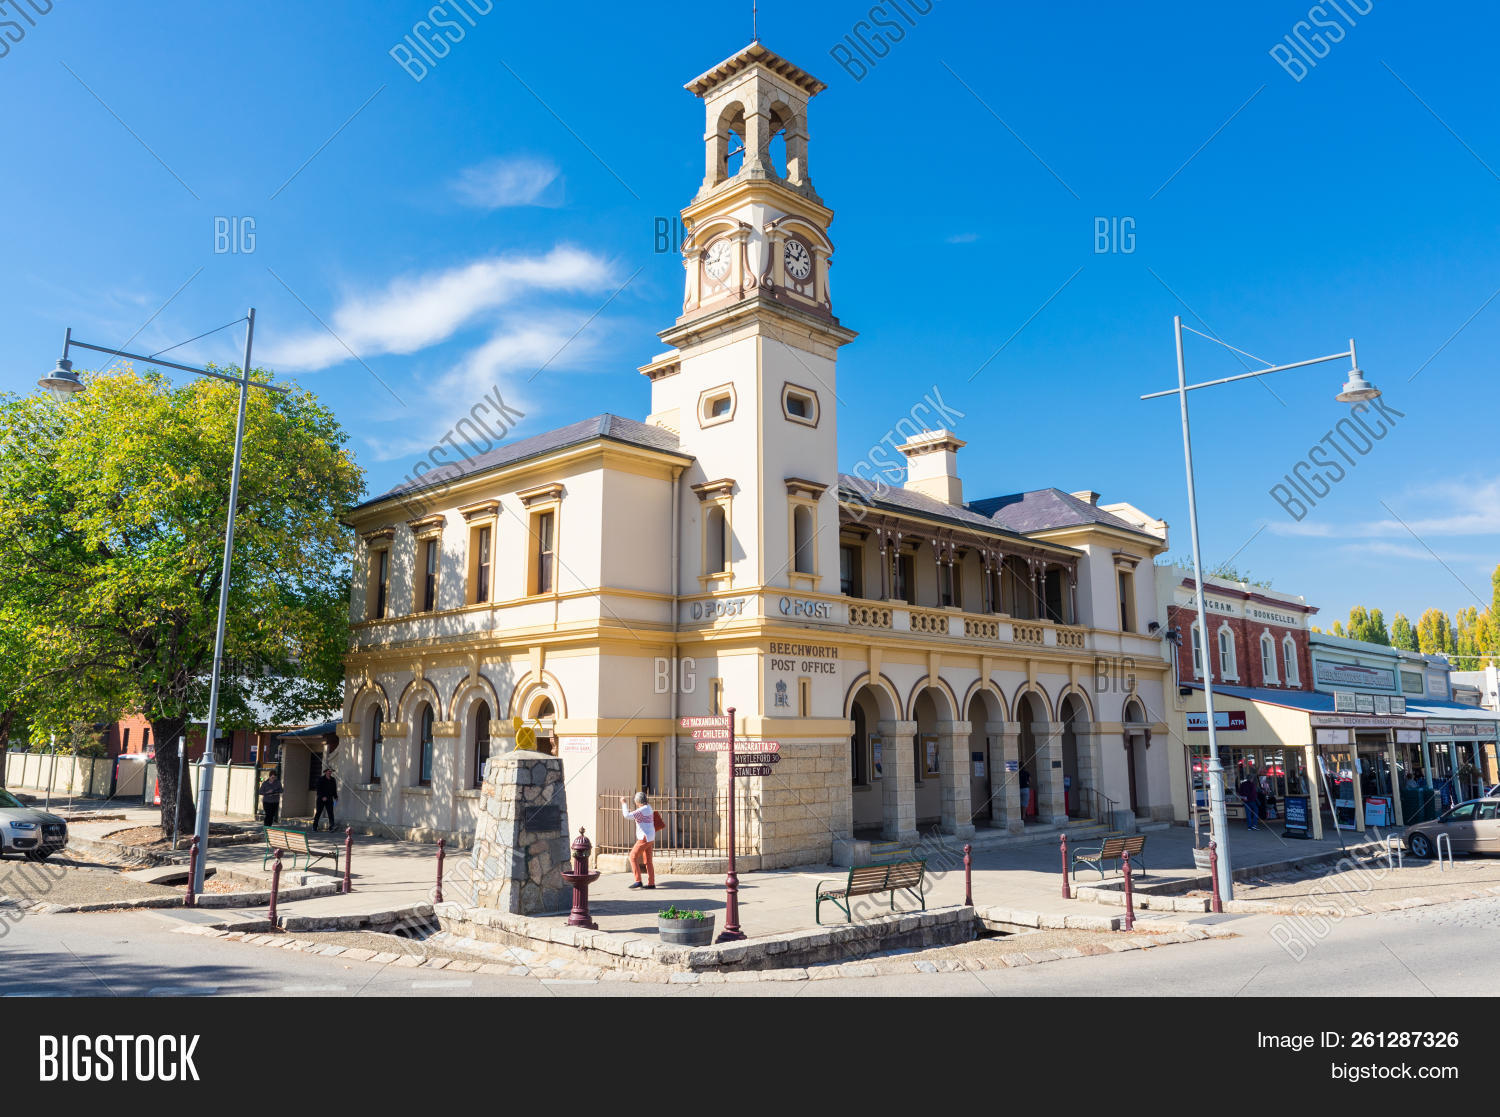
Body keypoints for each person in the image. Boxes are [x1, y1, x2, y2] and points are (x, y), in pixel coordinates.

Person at [620, 792, 656, 889]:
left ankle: (638, 881)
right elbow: (637, 815)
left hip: (644, 837)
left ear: (638, 801)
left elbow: (626, 815)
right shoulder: (649, 807)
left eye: (635, 801)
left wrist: (624, 803)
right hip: (651, 837)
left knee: (632, 857)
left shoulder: (641, 810)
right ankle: (651, 883)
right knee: (648, 861)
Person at [313, 766, 338, 831]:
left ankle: (331, 827)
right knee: (318, 812)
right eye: (329, 771)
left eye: (331, 771)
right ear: (326, 772)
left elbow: (334, 789)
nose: (330, 773)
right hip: (321, 799)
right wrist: (322, 796)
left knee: (330, 813)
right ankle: (314, 826)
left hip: (329, 798)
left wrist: (335, 797)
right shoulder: (321, 779)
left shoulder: (333, 780)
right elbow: (318, 789)